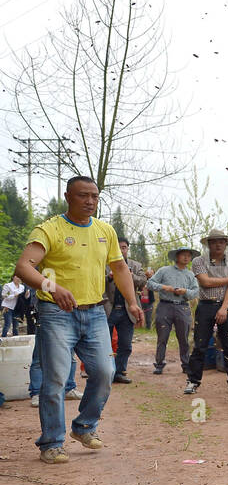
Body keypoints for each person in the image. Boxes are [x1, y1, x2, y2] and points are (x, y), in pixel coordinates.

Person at [13, 176, 142, 464]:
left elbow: (119, 268)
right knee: (57, 378)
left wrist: (132, 302)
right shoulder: (50, 229)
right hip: (56, 314)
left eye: (94, 196)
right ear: (68, 197)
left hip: (96, 311)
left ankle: (84, 427)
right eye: (83, 196)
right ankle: (52, 443)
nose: (90, 201)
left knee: (105, 372)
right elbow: (23, 267)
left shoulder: (105, 231)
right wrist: (52, 288)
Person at [186, 229, 228, 394]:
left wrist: (223, 309)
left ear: (226, 243)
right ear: (208, 244)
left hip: (227, 305)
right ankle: (193, 381)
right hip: (205, 305)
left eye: (221, 241)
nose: (218, 244)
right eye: (214, 242)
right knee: (200, 344)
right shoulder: (199, 261)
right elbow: (205, 282)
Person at [103, 238, 148, 384]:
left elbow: (143, 281)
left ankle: (120, 372)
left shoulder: (136, 265)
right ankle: (105, 373)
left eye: (124, 247)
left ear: (127, 248)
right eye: (119, 247)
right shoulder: (105, 264)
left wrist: (128, 275)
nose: (121, 250)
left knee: (126, 344)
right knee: (104, 343)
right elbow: (96, 281)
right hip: (108, 309)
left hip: (128, 310)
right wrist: (109, 277)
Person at [148, 247, 200, 374]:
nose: (186, 258)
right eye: (183, 255)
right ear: (177, 257)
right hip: (164, 306)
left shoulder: (191, 275)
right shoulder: (164, 270)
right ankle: (159, 364)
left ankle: (186, 364)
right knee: (162, 337)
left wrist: (185, 291)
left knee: (183, 337)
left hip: (183, 306)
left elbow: (196, 292)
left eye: (189, 256)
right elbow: (150, 283)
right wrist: (164, 287)